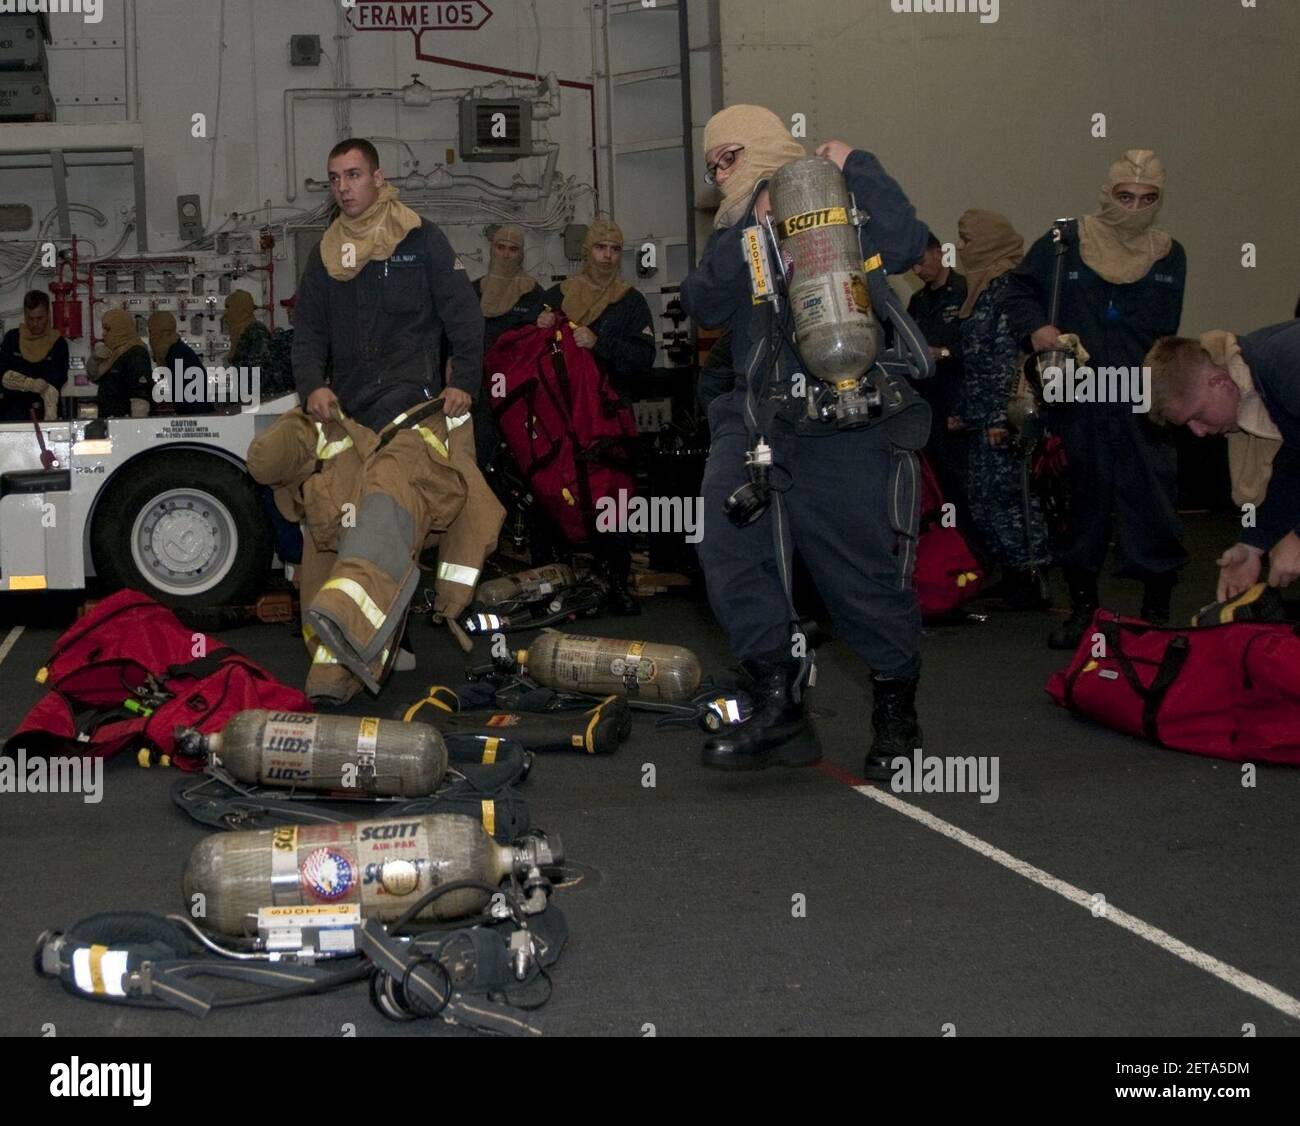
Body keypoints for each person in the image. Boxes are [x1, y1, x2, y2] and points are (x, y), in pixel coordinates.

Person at [681, 104, 931, 776]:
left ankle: (894, 705)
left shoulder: (837, 201)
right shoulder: (733, 228)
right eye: (711, 166)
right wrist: (752, 233)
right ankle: (779, 703)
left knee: (857, 571)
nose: (719, 174)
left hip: (843, 408)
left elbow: (909, 244)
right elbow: (702, 304)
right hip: (757, 414)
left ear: (761, 144)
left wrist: (856, 164)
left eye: (728, 157)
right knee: (729, 552)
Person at [284, 136, 487, 703]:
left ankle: (351, 651)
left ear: (378, 177)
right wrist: (314, 387)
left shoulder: (421, 240)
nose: (343, 187)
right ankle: (350, 641)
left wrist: (462, 383)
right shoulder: (326, 254)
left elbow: (464, 319)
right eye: (334, 178)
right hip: (349, 417)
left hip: (412, 411)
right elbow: (308, 336)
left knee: (385, 516)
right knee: (329, 522)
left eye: (353, 175)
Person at [1002, 149, 1187, 646]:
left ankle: (1156, 610)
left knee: (1152, 501)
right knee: (1079, 504)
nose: (1134, 207)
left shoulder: (1169, 254)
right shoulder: (1065, 242)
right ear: (1108, 193)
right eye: (1125, 196)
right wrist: (1038, 329)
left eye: (1148, 199)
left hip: (1140, 395)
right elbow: (1015, 292)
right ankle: (1083, 608)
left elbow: (1165, 335)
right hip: (1077, 390)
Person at [536, 219, 656, 613]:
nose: (606, 256)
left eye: (614, 249)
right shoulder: (558, 297)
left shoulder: (631, 302)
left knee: (614, 502)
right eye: (600, 247)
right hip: (561, 420)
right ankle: (553, 586)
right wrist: (538, 329)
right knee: (555, 497)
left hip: (607, 420)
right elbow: (534, 360)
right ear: (586, 251)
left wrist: (599, 343)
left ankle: (615, 583)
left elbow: (643, 360)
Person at [1146, 320, 1300, 598]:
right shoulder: (1262, 380)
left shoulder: (1286, 366)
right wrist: (1254, 544)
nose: (1200, 432)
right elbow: (1294, 465)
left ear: (1219, 382)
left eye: (1197, 416)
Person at [949, 209, 1051, 608]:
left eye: (968, 240)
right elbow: (975, 359)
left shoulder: (1008, 287)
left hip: (1006, 419)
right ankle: (1012, 572)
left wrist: (999, 419)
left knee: (1011, 496)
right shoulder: (981, 287)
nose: (959, 248)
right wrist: (967, 411)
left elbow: (1009, 361)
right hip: (983, 416)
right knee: (984, 497)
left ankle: (1033, 576)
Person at [474, 224, 544, 468]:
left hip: (520, 395)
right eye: (500, 247)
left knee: (524, 462)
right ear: (491, 250)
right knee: (480, 462)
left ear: (521, 255)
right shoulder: (472, 292)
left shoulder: (534, 295)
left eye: (513, 249)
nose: (505, 254)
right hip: (479, 395)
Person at [908, 233, 969, 505]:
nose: (918, 271)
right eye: (913, 266)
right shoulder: (918, 302)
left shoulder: (966, 291)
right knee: (942, 482)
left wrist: (943, 353)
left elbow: (979, 347)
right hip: (929, 404)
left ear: (938, 253)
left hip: (959, 398)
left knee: (965, 480)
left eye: (921, 262)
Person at [0, 289, 67, 421]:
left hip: (45, 413)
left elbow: (59, 378)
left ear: (48, 314)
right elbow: (1, 372)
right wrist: (27, 383)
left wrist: (50, 422)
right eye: (30, 318)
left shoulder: (58, 343)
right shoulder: (12, 338)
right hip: (13, 415)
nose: (35, 323)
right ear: (25, 315)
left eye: (40, 318)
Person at [225, 290, 294, 401]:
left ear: (240, 309)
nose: (226, 313)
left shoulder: (254, 333)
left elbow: (258, 376)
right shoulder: (243, 333)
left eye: (229, 308)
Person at [86, 307, 151, 418]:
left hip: (125, 424)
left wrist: (137, 427)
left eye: (108, 329)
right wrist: (95, 360)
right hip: (113, 420)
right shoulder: (114, 352)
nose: (103, 334)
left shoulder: (136, 353)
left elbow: (140, 396)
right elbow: (96, 376)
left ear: (120, 329)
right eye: (103, 329)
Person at [147, 310, 212, 415]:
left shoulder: (176, 355)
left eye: (151, 332)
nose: (151, 338)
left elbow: (189, 402)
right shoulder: (177, 351)